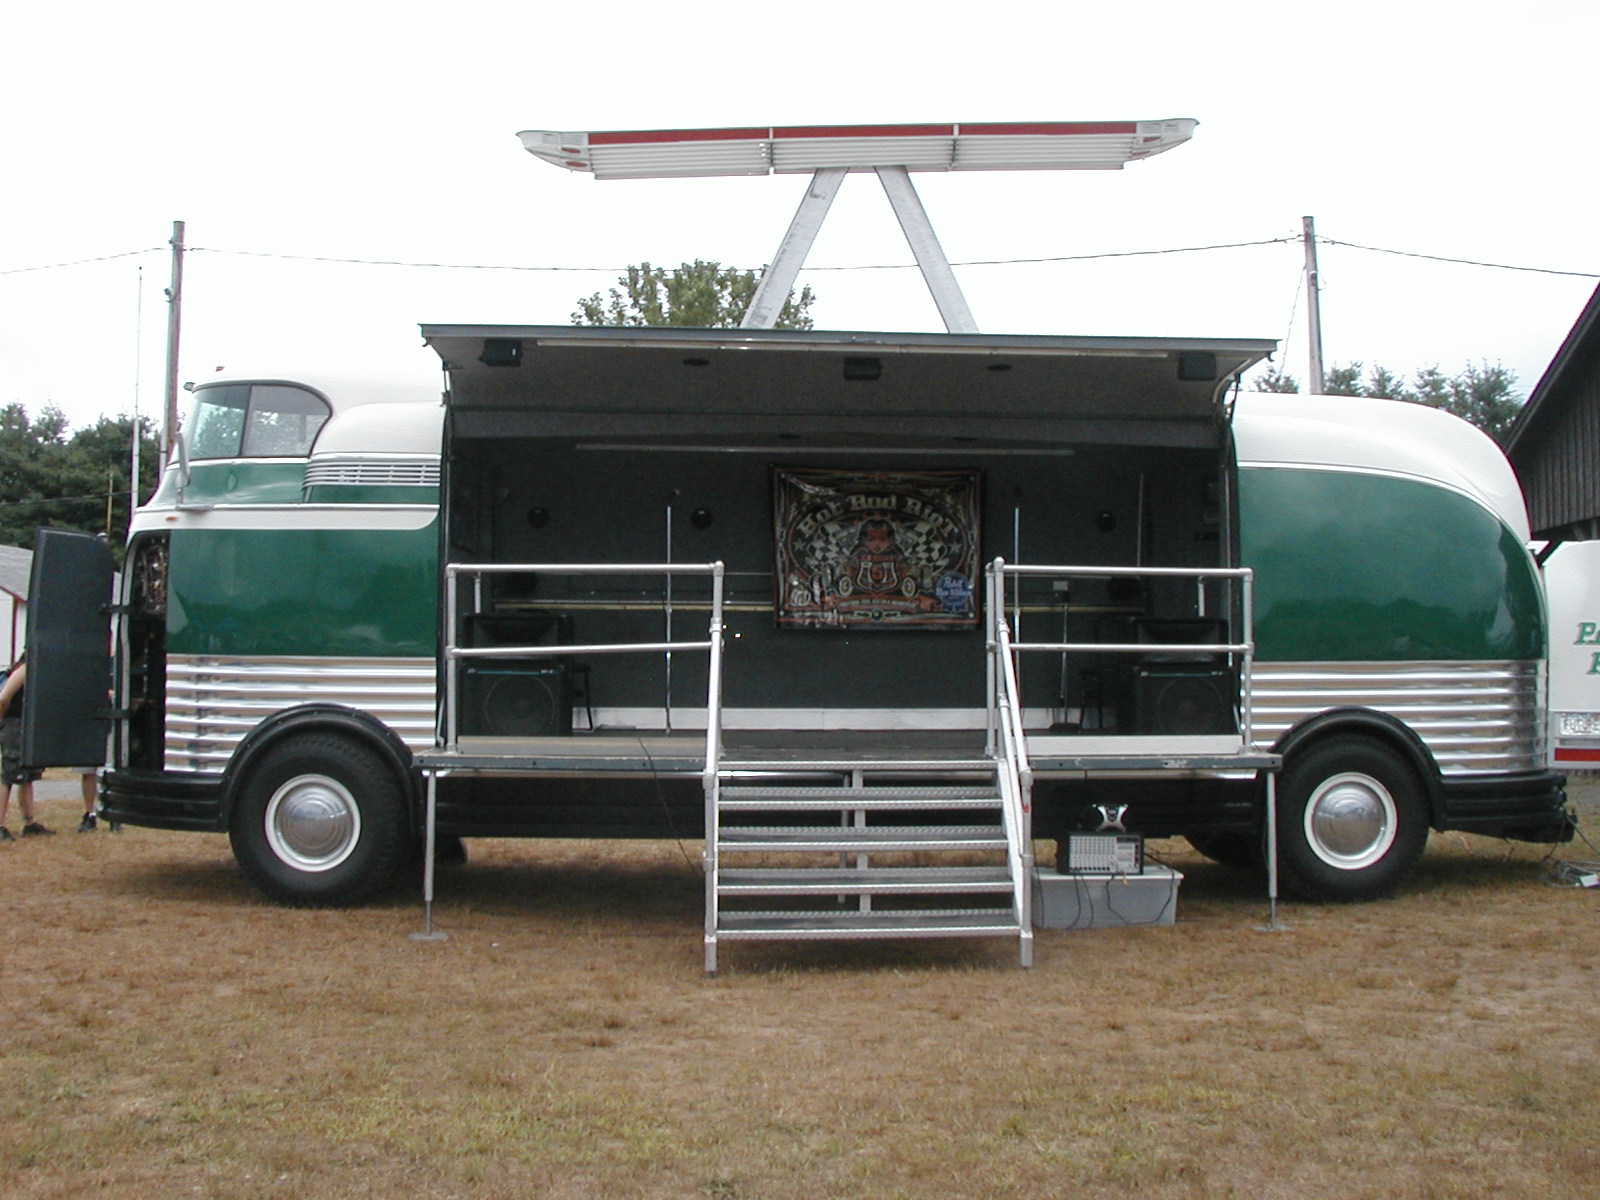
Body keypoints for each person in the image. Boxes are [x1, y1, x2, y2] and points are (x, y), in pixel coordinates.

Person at [0, 656, 51, 839]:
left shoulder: (39, 670)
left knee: (27, 776)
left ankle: (29, 823)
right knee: (9, 776)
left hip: (27, 726)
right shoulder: (24, 669)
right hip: (14, 725)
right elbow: (3, 698)